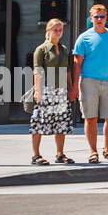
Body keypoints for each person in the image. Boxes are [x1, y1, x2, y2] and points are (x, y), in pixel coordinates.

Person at [72, 4, 108, 164]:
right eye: (96, 17)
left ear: (106, 18)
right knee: (90, 118)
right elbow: (77, 62)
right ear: (91, 19)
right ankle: (93, 151)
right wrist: (75, 86)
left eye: (102, 17)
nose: (99, 19)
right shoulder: (84, 38)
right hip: (89, 81)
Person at [30, 19, 76, 165]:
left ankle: (60, 154)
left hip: (61, 90)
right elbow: (37, 71)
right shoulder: (41, 49)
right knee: (39, 122)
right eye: (55, 30)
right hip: (46, 89)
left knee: (61, 123)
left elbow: (67, 70)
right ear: (48, 31)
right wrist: (38, 91)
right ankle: (36, 155)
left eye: (60, 30)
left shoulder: (63, 49)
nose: (58, 32)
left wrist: (70, 88)